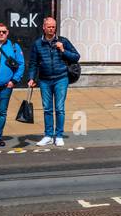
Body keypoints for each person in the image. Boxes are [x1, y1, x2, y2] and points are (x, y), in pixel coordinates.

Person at [26, 16, 81, 147]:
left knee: (60, 108)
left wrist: (63, 50)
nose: (51, 29)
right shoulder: (38, 44)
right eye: (49, 27)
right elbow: (33, 63)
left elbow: (76, 57)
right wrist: (31, 78)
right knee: (47, 109)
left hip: (61, 78)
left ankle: (59, 135)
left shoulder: (63, 41)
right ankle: (48, 135)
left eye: (53, 27)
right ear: (44, 28)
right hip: (45, 80)